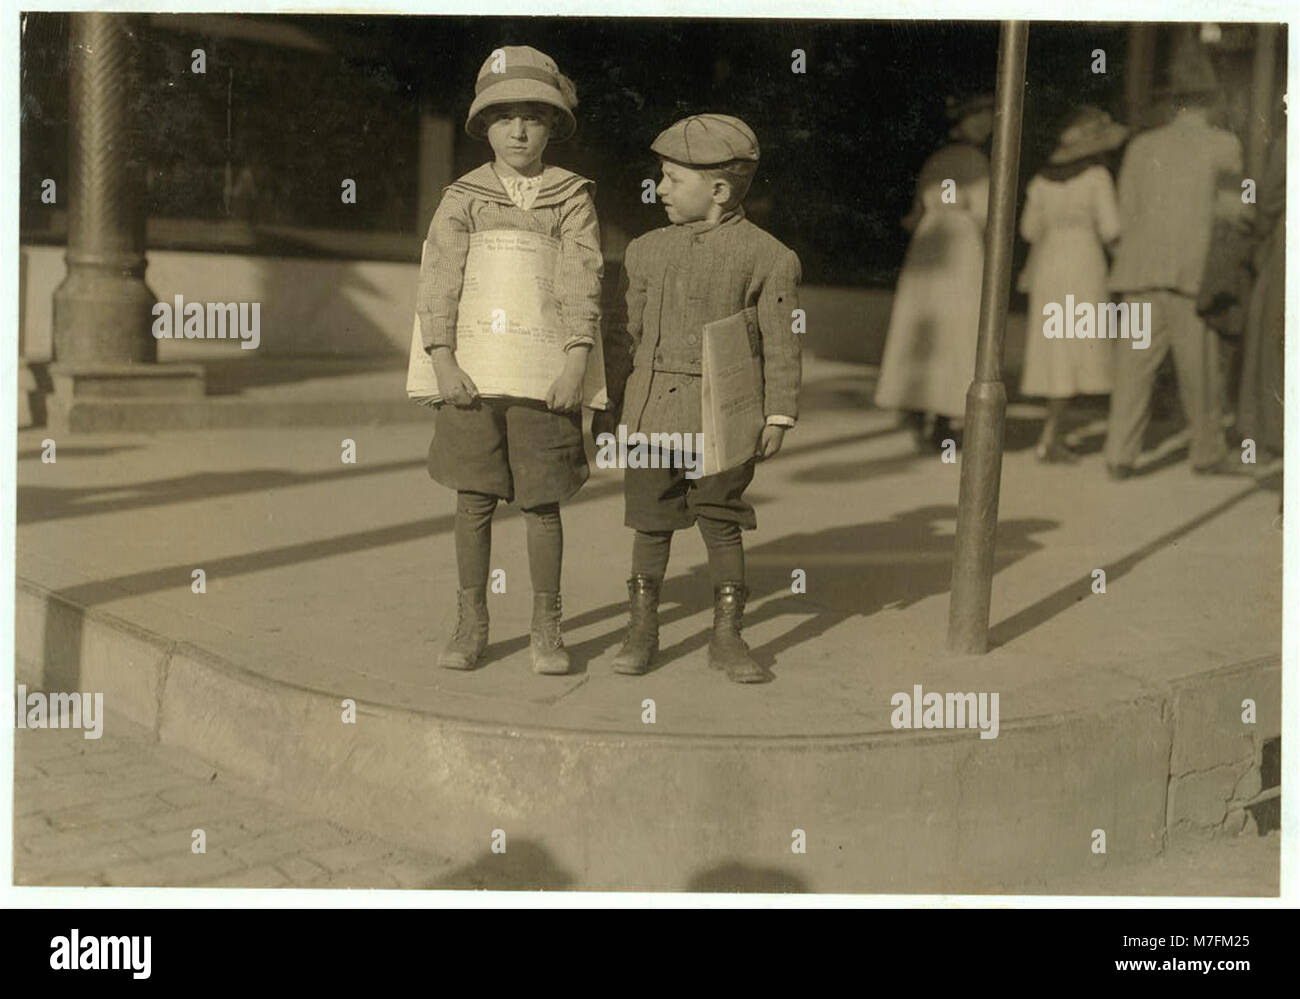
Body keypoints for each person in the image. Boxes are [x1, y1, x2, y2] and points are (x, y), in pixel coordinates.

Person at [416, 45, 603, 674]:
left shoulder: (570, 198)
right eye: (504, 118)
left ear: (552, 126)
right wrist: (443, 359)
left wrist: (576, 360)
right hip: (473, 373)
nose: (519, 130)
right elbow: (439, 281)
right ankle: (471, 623)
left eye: (534, 117)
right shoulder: (462, 198)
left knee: (543, 501)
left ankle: (547, 627)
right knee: (473, 498)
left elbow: (582, 279)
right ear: (484, 126)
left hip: (542, 376)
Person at [599, 114, 802, 684]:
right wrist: (610, 405)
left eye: (672, 179)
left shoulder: (768, 257)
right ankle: (641, 631)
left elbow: (782, 342)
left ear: (718, 190)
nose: (658, 189)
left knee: (721, 519)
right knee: (649, 521)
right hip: (647, 410)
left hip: (725, 413)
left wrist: (778, 412)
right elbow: (625, 335)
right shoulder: (644, 250)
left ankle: (727, 635)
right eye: (660, 178)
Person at [1103, 36, 1246, 479]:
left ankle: (1119, 456)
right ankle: (1206, 452)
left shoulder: (1142, 146)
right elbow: (1232, 213)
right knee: (1199, 370)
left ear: (1175, 103)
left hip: (1140, 272)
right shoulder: (1224, 145)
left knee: (1133, 369)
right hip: (1190, 274)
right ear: (1211, 101)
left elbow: (1124, 213)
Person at [874, 94, 993, 451]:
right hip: (961, 245)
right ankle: (942, 420)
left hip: (928, 242)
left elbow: (916, 212)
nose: (984, 125)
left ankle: (918, 409)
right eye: (978, 118)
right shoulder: (977, 161)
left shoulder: (936, 159)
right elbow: (986, 212)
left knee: (925, 325)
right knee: (956, 328)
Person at [1017, 106, 1127, 462]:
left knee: (1056, 345)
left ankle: (1053, 430)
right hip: (1083, 262)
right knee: (1079, 341)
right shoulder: (1097, 177)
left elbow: (1029, 231)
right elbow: (1111, 227)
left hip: (1050, 264)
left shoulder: (1041, 181)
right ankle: (1053, 435)